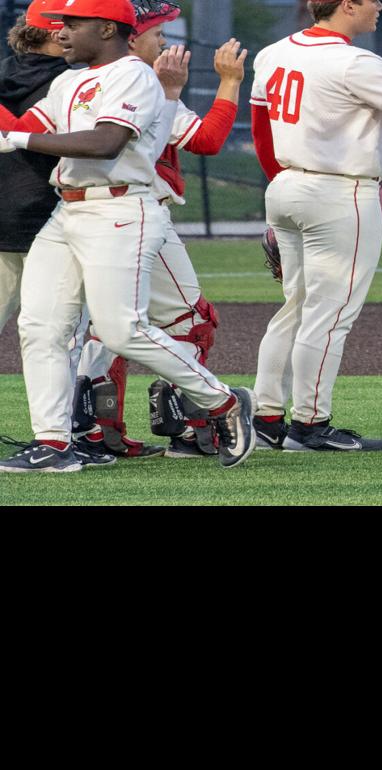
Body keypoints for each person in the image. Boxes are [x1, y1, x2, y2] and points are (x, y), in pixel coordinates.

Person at [0, 0, 254, 473]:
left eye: (73, 25)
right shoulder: (68, 80)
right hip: (68, 210)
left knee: (121, 329)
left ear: (107, 27)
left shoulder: (135, 75)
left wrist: (18, 139)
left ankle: (224, 402)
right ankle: (54, 443)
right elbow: (23, 129)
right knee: (40, 327)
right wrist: (13, 133)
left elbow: (106, 142)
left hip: (121, 209)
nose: (64, 33)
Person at [247, 0, 382, 453]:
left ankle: (267, 416)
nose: (380, 6)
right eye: (371, 0)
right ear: (347, 5)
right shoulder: (354, 62)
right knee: (328, 317)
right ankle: (309, 426)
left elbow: (260, 129)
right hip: (340, 191)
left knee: (295, 307)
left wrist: (286, 186)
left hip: (287, 184)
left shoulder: (272, 52)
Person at [69, 0, 245, 461]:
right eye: (156, 34)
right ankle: (188, 426)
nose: (165, 42)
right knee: (190, 321)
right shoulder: (144, 83)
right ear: (129, 38)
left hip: (79, 212)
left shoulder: (80, 82)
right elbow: (206, 140)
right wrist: (228, 83)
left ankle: (94, 429)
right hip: (137, 211)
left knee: (104, 328)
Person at [0, 0, 70, 338]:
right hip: (52, 220)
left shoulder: (2, 71)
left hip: (2, 216)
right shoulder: (74, 83)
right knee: (56, 335)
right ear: (58, 33)